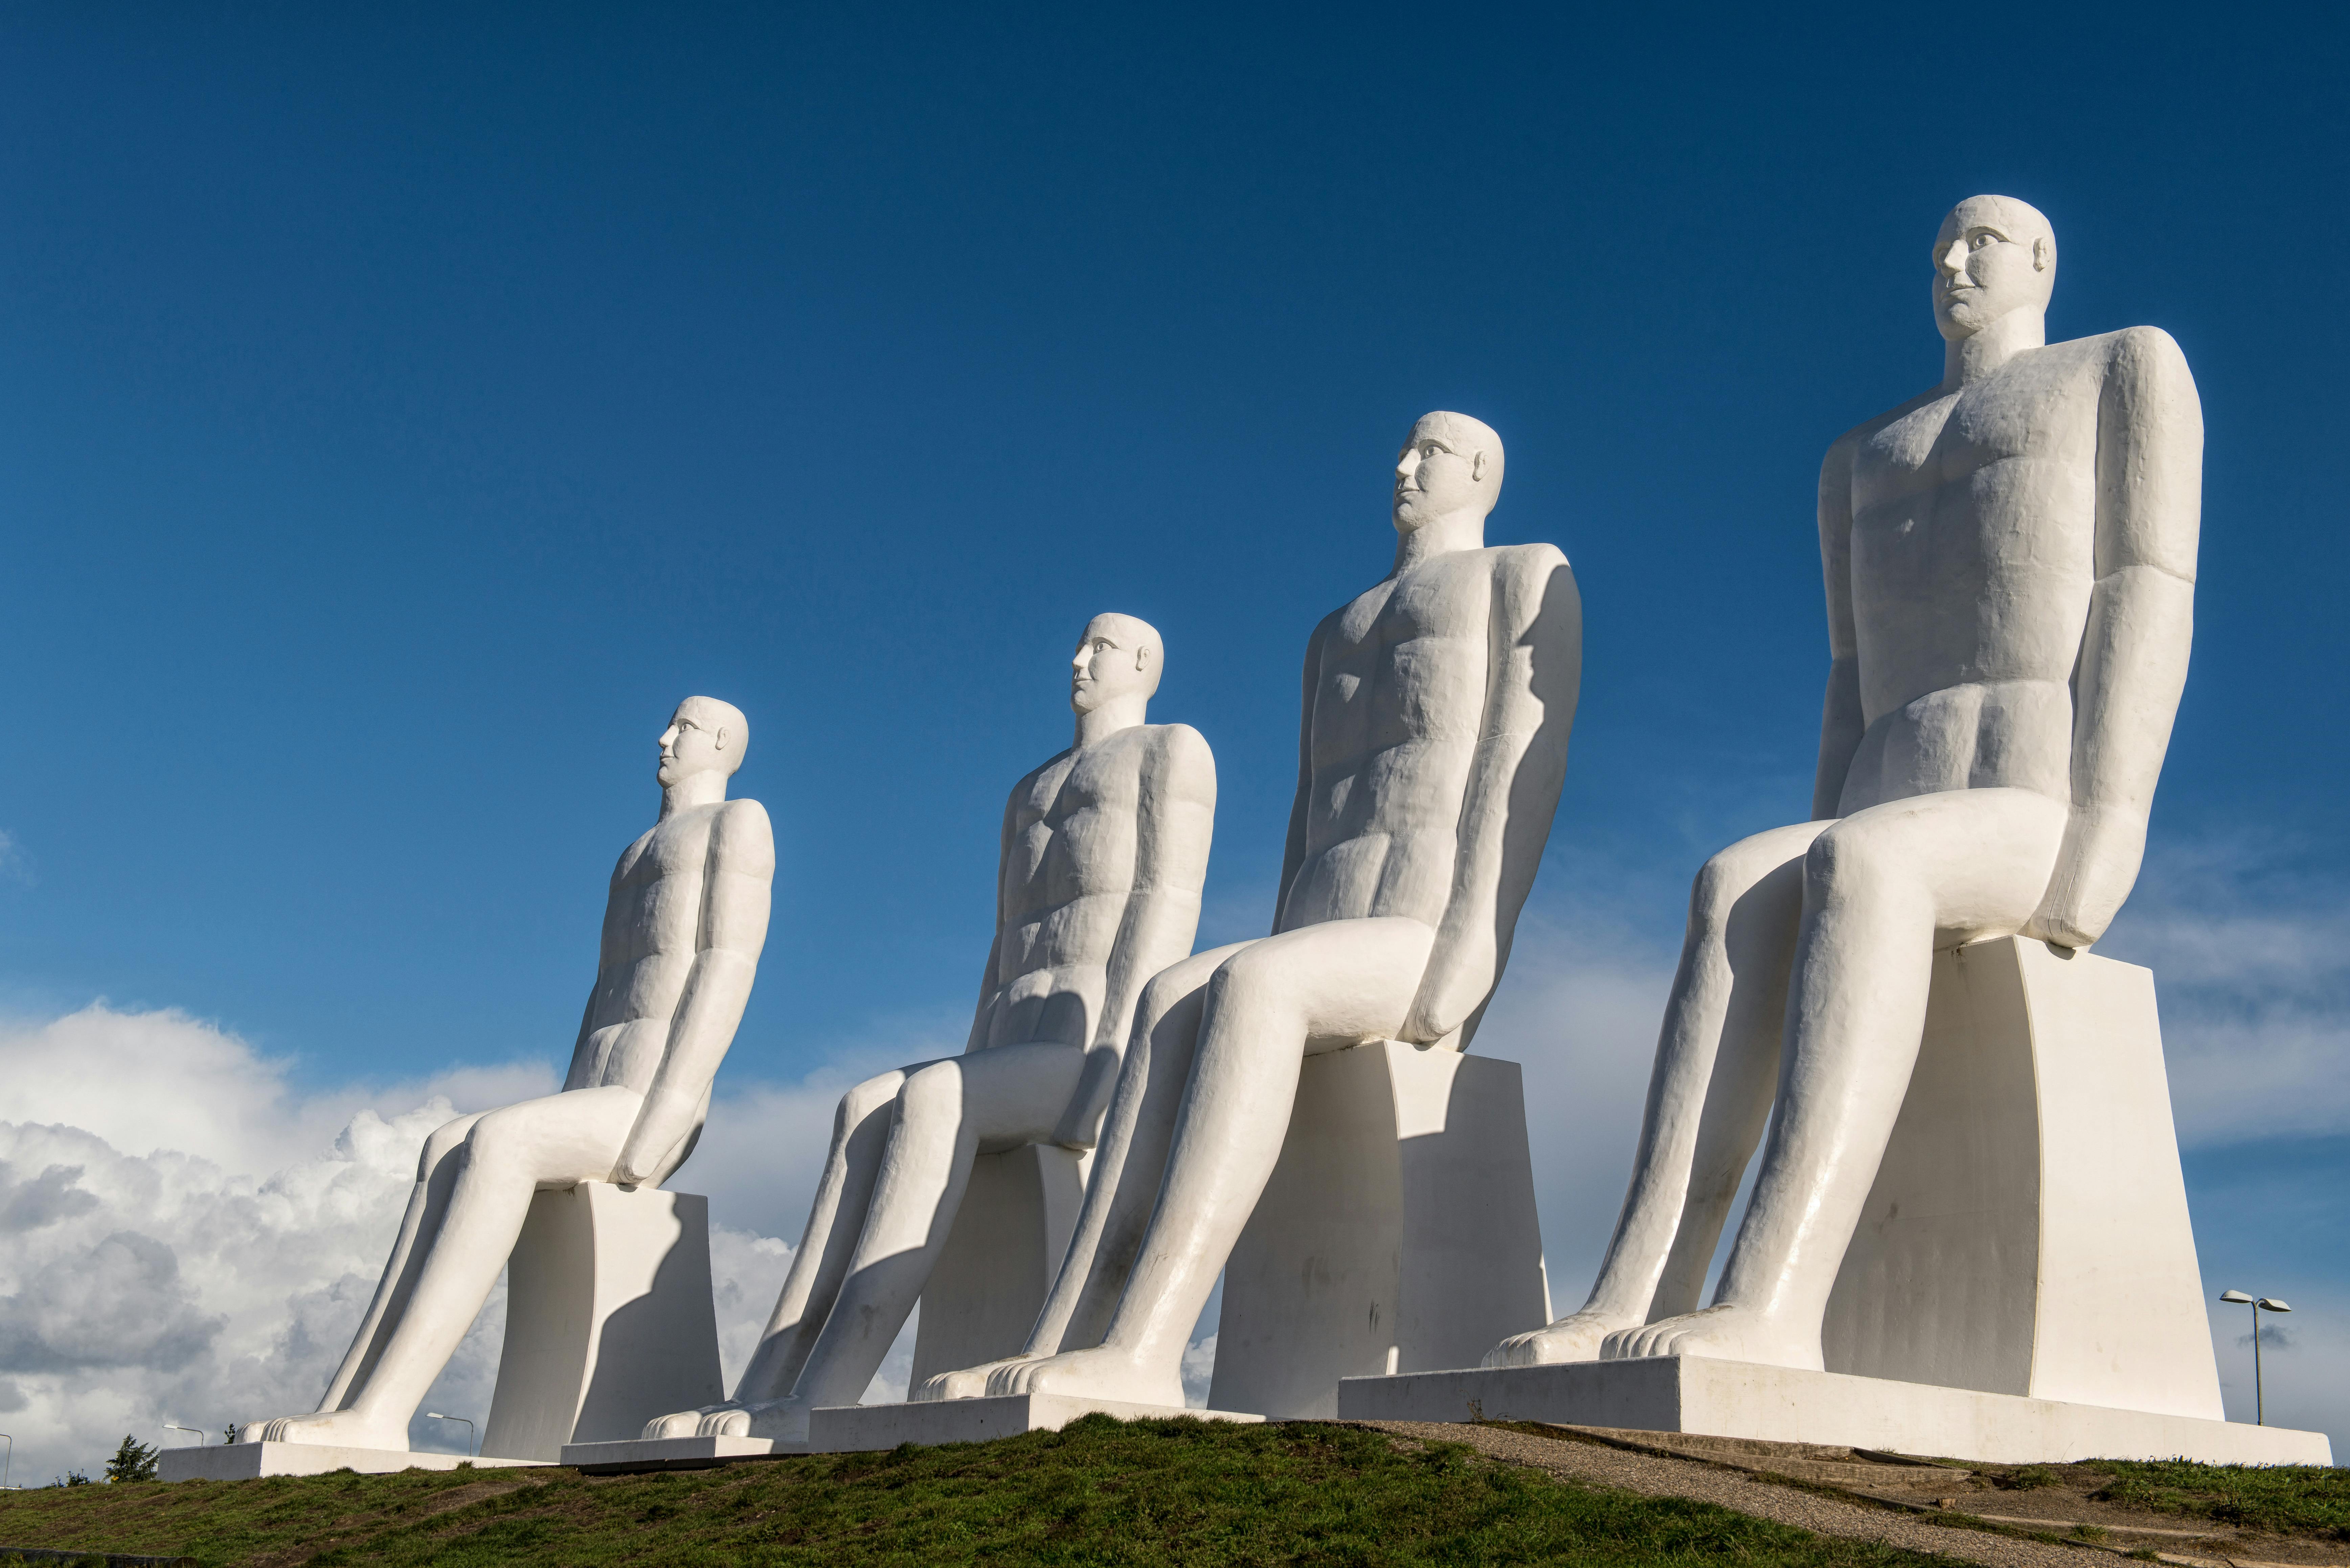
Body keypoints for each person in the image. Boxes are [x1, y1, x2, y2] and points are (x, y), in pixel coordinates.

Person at [1488, 194, 2201, 1374]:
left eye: (1979, 241)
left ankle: (1773, 1297)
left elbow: (2145, 586)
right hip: (1885, 796)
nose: (1950, 259)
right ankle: (1632, 1287)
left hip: (2025, 793)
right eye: (1938, 246)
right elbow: (1849, 675)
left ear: (2040, 260)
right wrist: (1816, 839)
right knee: (1732, 879)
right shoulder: (1859, 455)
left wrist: (2109, 818)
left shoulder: (2120, 368)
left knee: (1863, 862)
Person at [923, 412, 1579, 1410]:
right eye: (1403, 451)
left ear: (1483, 470)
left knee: (1252, 982)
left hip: (1413, 931)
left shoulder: (1518, 575)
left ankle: (1146, 1345)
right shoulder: (1336, 630)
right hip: (1319, 928)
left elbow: (1514, 771)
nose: (1402, 467)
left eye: (1429, 453)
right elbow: (1308, 811)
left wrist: (1472, 947)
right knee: (1169, 995)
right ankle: (1068, 1331)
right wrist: (1275, 929)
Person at [646, 615, 1215, 1444]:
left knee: (935, 1094)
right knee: (869, 1101)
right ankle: (767, 1384)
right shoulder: (1030, 789)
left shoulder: (1169, 751)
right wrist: (978, 1045)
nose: (1077, 658)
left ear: (1141, 663)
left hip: (1084, 1051)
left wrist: (1111, 1067)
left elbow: (1164, 903)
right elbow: (1003, 943)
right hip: (1008, 1049)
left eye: (1098, 647)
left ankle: (823, 1396)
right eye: (1078, 644)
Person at [245, 697, 774, 1450]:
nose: (664, 737)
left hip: (651, 1097)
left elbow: (727, 965)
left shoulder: (738, 822)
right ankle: (347, 1402)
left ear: (720, 742)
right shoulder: (632, 853)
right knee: (445, 1143)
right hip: (596, 1090)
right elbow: (605, 990)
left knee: (499, 1140)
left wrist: (671, 1109)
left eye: (683, 728)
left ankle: (383, 1412)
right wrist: (565, 1099)